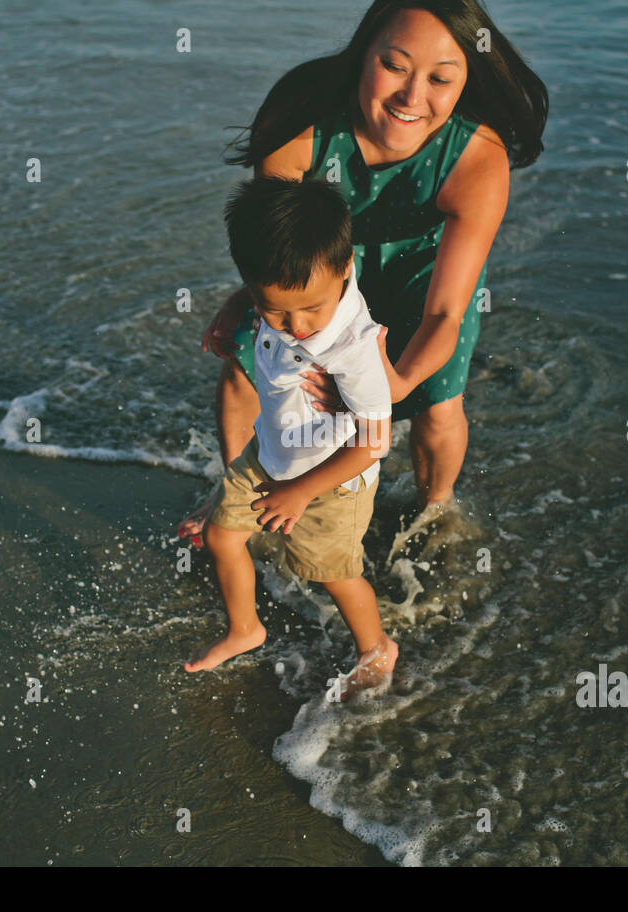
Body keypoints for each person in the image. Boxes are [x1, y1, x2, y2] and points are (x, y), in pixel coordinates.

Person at [179, 0, 548, 548]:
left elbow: (445, 313)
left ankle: (436, 513)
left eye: (440, 79)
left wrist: (392, 386)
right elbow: (276, 244)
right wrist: (244, 298)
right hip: (314, 268)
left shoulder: (477, 156)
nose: (412, 97)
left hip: (425, 271)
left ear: (466, 81)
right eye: (395, 66)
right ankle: (238, 496)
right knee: (243, 371)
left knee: (438, 405)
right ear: (363, 53)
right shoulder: (300, 118)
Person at [184, 177, 398, 700]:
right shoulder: (284, 288)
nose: (295, 326)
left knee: (331, 573)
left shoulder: (354, 347)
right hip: (272, 452)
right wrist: (237, 309)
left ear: (345, 271)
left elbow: (374, 442)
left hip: (332, 480)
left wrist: (302, 492)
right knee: (220, 535)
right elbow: (267, 290)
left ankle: (377, 648)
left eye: (310, 310)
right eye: (276, 311)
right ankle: (244, 629)